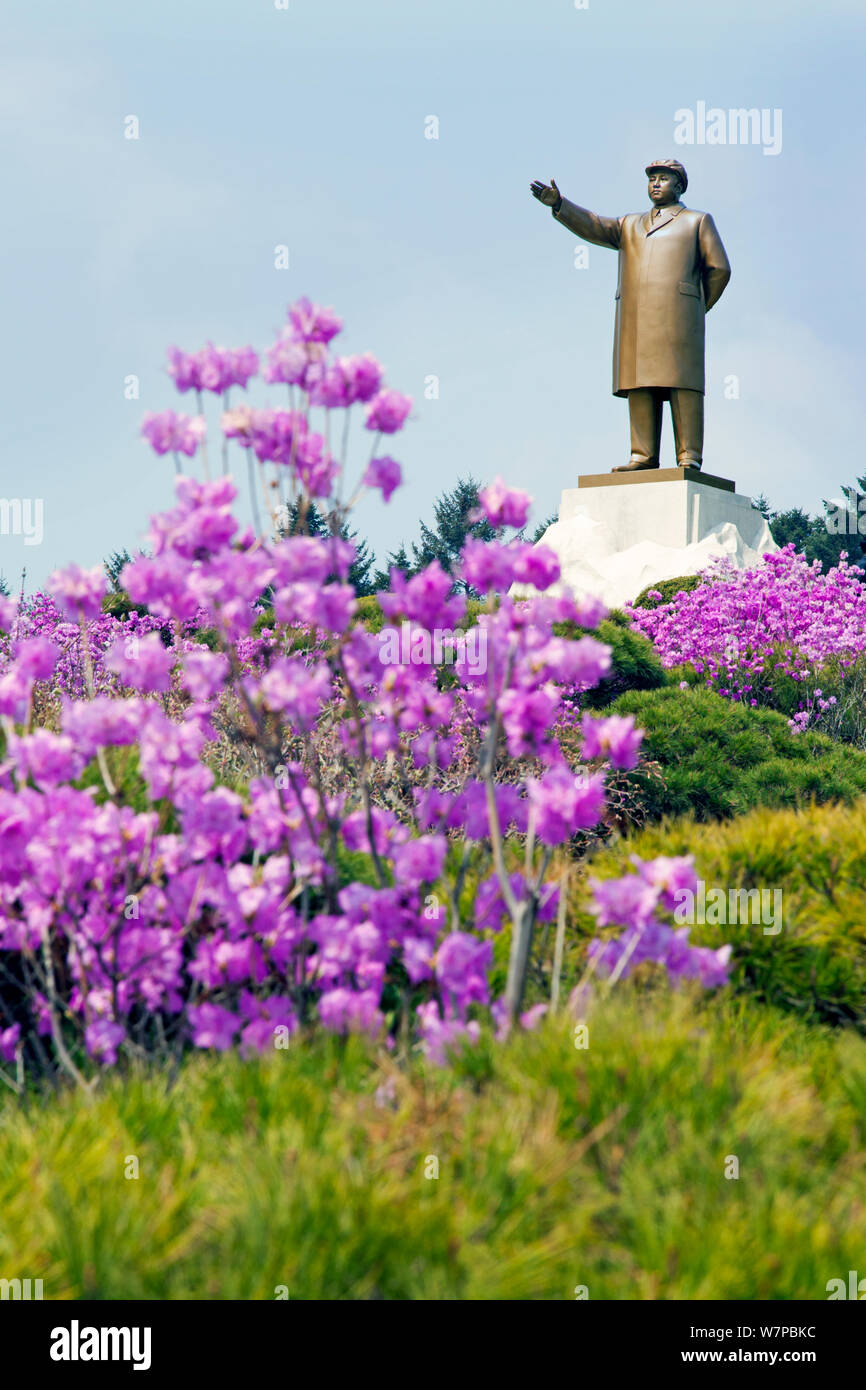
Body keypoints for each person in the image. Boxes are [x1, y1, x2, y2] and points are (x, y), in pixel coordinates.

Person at [531, 160, 731, 472]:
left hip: (680, 318)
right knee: (640, 383)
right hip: (636, 318)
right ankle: (642, 454)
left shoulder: (697, 221)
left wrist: (695, 306)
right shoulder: (629, 225)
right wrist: (560, 204)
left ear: (679, 186)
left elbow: (719, 269)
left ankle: (688, 455)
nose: (655, 184)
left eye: (663, 179)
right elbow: (595, 225)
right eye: (652, 179)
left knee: (683, 384)